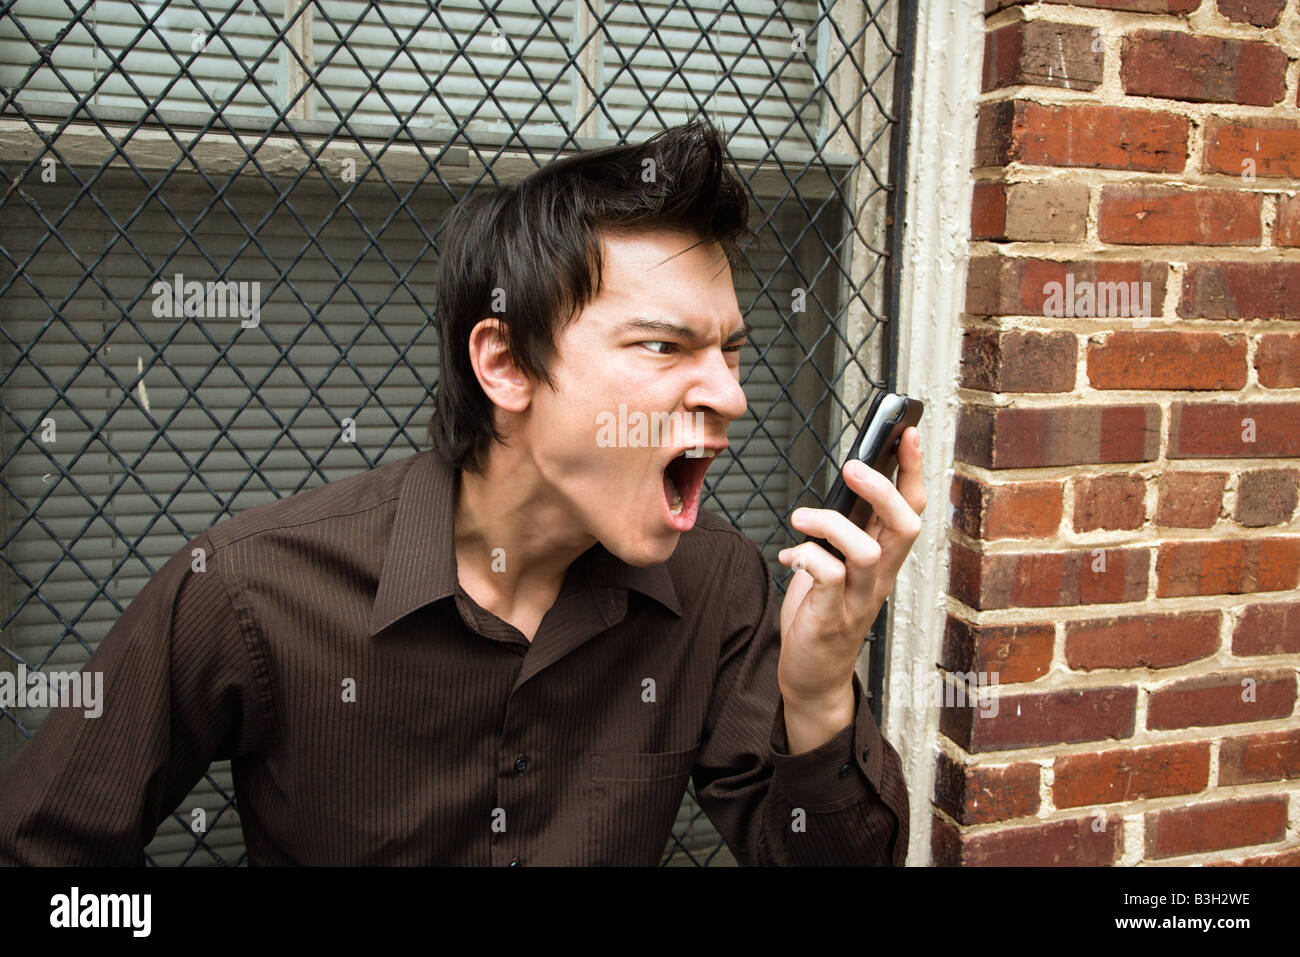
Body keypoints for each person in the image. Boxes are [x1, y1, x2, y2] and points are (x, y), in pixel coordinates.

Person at [0, 120, 924, 866]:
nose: (730, 394)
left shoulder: (718, 586)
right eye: (664, 346)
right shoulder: (246, 592)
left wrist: (818, 690)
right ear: (506, 362)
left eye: (729, 350)